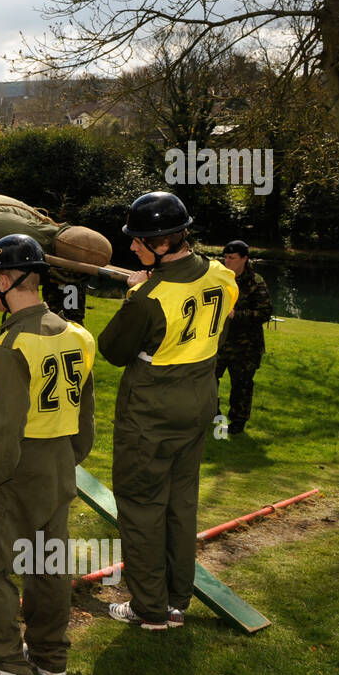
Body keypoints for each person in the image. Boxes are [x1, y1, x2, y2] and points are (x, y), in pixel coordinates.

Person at [0, 234, 95, 675]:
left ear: (3, 280)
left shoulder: (11, 345)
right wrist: (69, 459)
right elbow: (87, 418)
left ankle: (5, 667)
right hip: (60, 462)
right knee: (48, 563)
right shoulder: (78, 335)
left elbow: (4, 431)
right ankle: (51, 657)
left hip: (18, 466)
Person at [97, 192, 238, 629]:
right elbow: (218, 326)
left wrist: (135, 294)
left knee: (141, 507)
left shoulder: (149, 296)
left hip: (151, 413)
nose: (133, 247)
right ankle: (177, 599)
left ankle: (149, 608)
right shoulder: (221, 274)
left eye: (139, 240)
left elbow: (113, 350)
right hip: (198, 403)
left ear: (161, 244)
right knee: (181, 504)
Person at [216, 240, 272, 435]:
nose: (227, 261)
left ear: (244, 259)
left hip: (246, 346)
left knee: (242, 386)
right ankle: (213, 414)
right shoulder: (220, 278)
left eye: (232, 258)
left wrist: (235, 315)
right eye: (225, 257)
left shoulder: (255, 281)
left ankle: (238, 421)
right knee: (207, 379)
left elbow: (265, 313)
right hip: (219, 342)